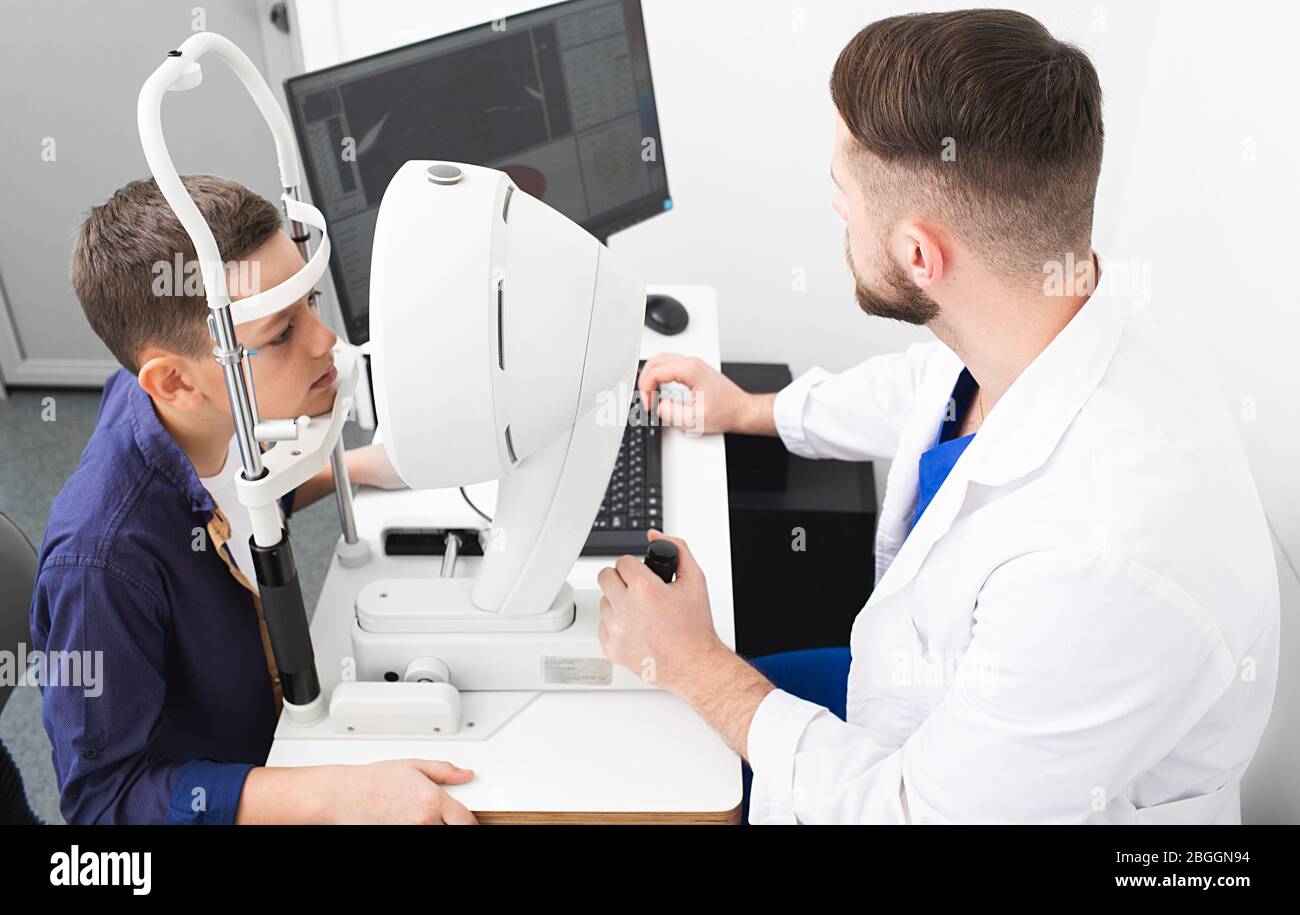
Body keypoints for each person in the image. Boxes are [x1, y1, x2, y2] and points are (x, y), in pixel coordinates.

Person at [597, 9, 1279, 824]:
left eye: (842, 194)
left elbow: (914, 816)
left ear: (921, 257)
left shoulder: (1103, 556)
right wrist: (752, 408)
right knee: (635, 726)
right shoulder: (1059, 302)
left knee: (631, 768)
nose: (839, 213)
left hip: (940, 802)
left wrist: (701, 666)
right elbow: (925, 385)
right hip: (909, 703)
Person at [31, 175, 475, 824]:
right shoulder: (100, 566)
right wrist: (336, 794)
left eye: (311, 300)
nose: (324, 340)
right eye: (280, 333)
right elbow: (105, 806)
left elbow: (239, 504)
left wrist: (364, 467)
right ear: (176, 381)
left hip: (284, 727)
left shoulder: (200, 405)